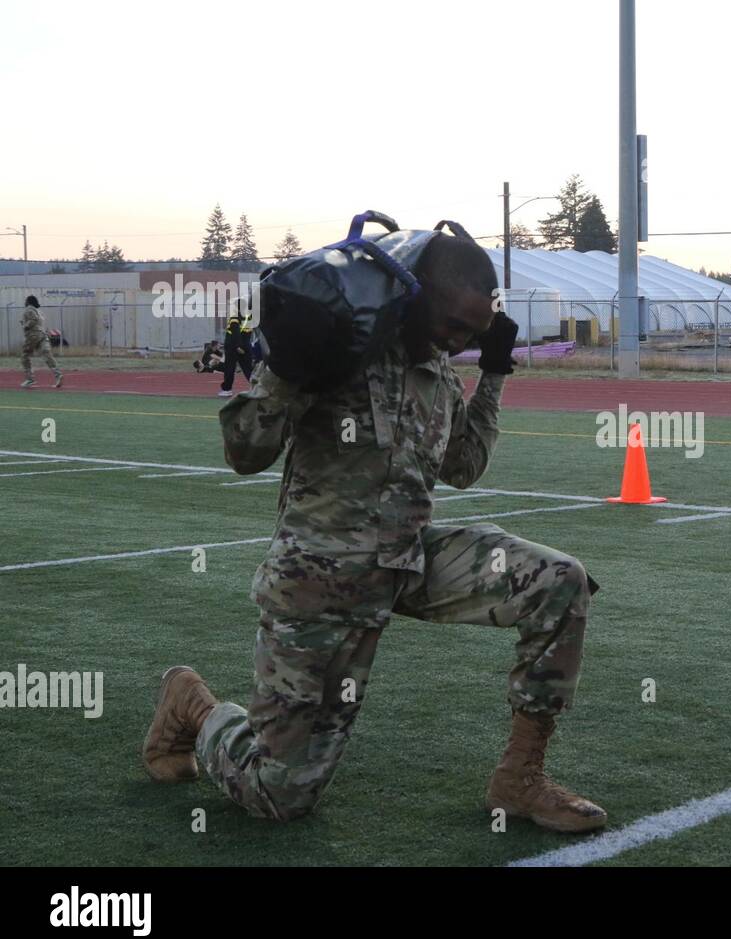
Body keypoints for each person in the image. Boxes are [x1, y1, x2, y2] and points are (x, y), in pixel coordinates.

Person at [143, 233, 606, 832]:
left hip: (408, 561)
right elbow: (245, 452)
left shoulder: (437, 366)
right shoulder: (339, 344)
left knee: (558, 580)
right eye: (454, 326)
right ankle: (194, 706)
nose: (460, 341)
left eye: (474, 332)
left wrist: (492, 373)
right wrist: (286, 365)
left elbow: (462, 465)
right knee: (279, 796)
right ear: (416, 298)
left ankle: (519, 778)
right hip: (319, 582)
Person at [19, 295, 63, 389]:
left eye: (26, 301)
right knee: (47, 355)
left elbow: (33, 320)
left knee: (25, 356)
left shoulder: (29, 309)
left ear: (29, 302)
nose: (25, 302)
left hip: (33, 335)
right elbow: (39, 321)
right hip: (42, 335)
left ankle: (30, 379)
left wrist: (25, 325)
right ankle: (58, 374)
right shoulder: (39, 311)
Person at [217, 304, 254, 397]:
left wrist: (238, 346)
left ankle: (227, 389)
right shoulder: (250, 317)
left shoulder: (235, 316)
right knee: (248, 368)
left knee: (229, 368)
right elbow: (249, 332)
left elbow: (235, 330)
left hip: (233, 346)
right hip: (246, 344)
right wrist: (245, 346)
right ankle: (257, 387)